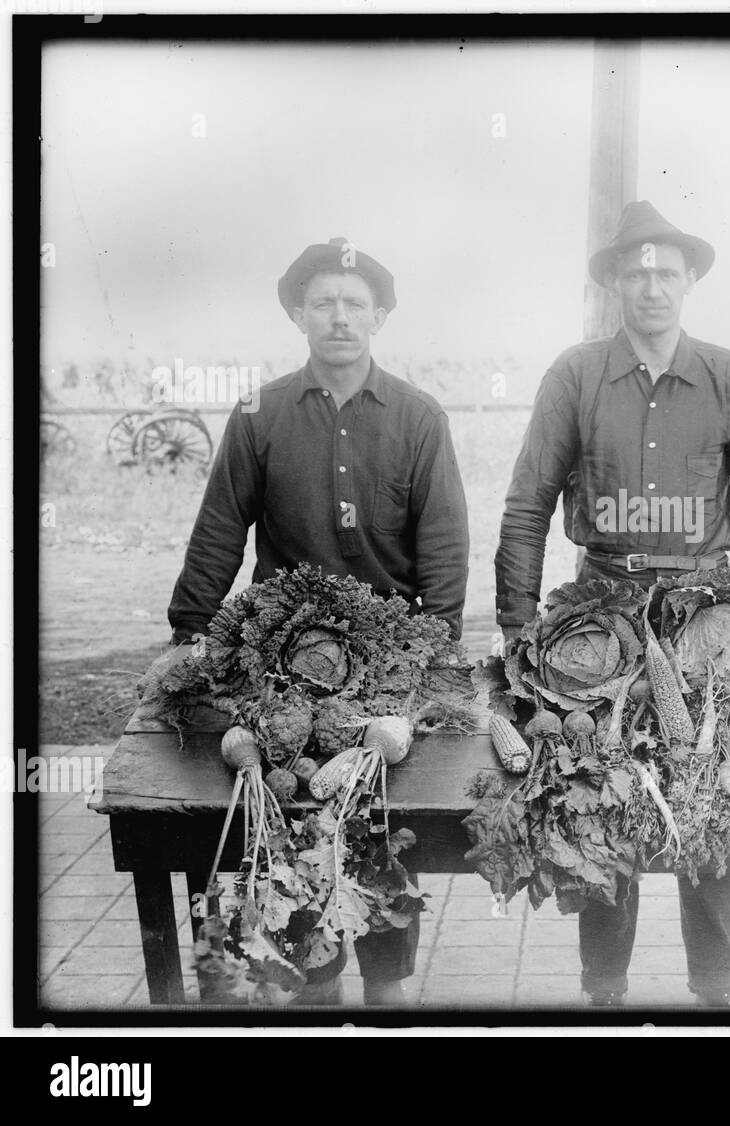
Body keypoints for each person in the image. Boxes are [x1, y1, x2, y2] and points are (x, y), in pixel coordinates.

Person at [495, 201, 730, 1006]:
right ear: (615, 284)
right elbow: (528, 502)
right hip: (603, 609)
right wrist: (514, 622)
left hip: (709, 609)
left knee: (710, 780)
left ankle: (718, 986)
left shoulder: (729, 376)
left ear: (691, 279)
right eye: (637, 272)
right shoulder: (575, 375)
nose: (653, 285)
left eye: (668, 271)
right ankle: (605, 988)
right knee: (605, 789)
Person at [163, 237, 471, 1005]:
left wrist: (433, 656)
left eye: (355, 304)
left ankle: (387, 986)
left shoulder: (418, 418)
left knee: (375, 815)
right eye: (324, 302)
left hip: (387, 666)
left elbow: (442, 549)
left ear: (381, 315)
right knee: (290, 808)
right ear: (299, 313)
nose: (340, 318)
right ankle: (309, 982)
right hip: (283, 663)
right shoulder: (258, 413)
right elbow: (218, 533)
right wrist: (188, 633)